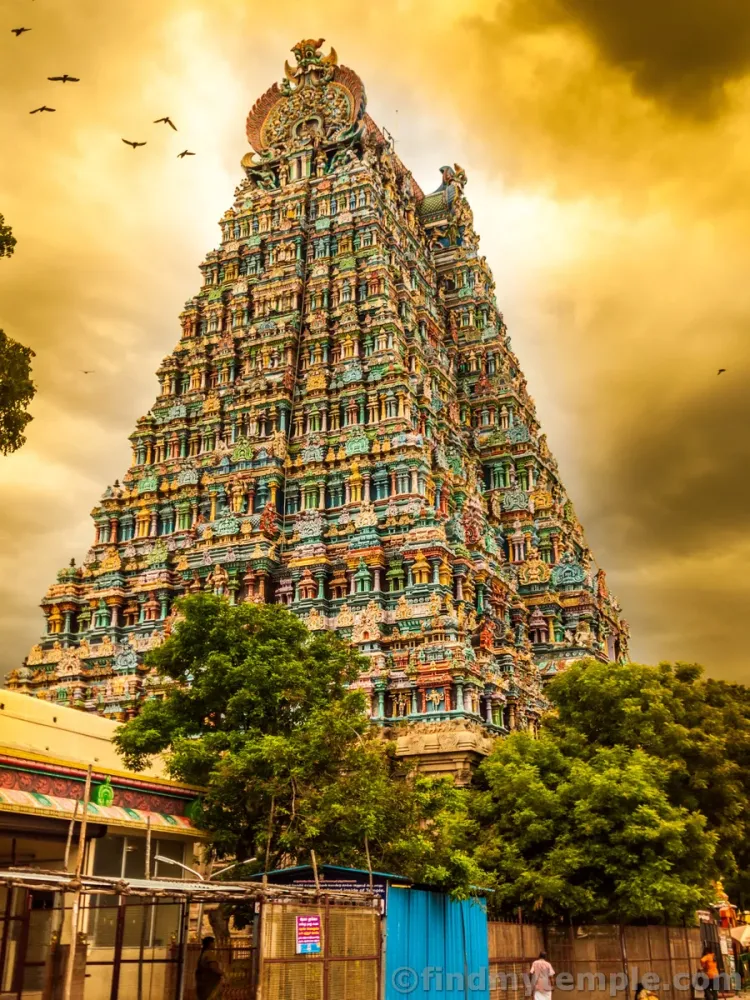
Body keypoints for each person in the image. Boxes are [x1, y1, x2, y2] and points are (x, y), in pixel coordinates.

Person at [196, 936, 223, 1000]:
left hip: (204, 982)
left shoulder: (203, 953)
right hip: (210, 983)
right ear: (210, 943)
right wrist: (223, 973)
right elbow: (213, 967)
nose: (214, 944)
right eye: (213, 942)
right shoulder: (209, 954)